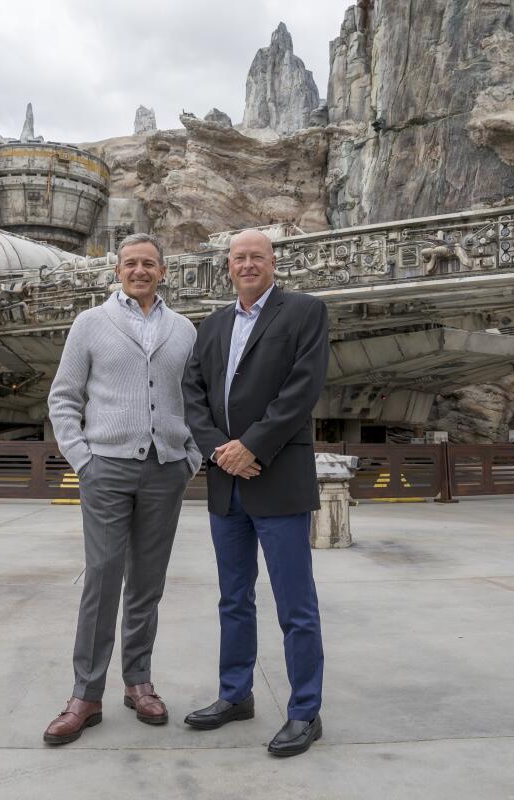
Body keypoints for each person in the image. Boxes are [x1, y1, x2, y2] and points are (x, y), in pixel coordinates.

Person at [44, 233, 201, 745]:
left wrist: (191, 459)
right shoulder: (91, 323)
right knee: (103, 578)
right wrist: (83, 460)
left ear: (162, 270)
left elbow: (197, 403)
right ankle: (85, 694)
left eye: (149, 263)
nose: (140, 270)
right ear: (117, 271)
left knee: (147, 584)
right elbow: (64, 396)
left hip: (166, 469)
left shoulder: (184, 330)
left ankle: (138, 682)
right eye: (130, 263)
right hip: (106, 468)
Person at [181, 228, 330, 757]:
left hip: (278, 479)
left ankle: (304, 711)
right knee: (234, 599)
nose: (247, 265)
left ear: (273, 262)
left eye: (256, 257)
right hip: (226, 483)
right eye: (238, 258)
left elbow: (302, 388)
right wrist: (220, 449)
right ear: (228, 267)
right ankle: (235, 694)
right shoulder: (214, 324)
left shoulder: (305, 312)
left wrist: (253, 447)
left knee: (295, 604)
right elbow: (193, 393)